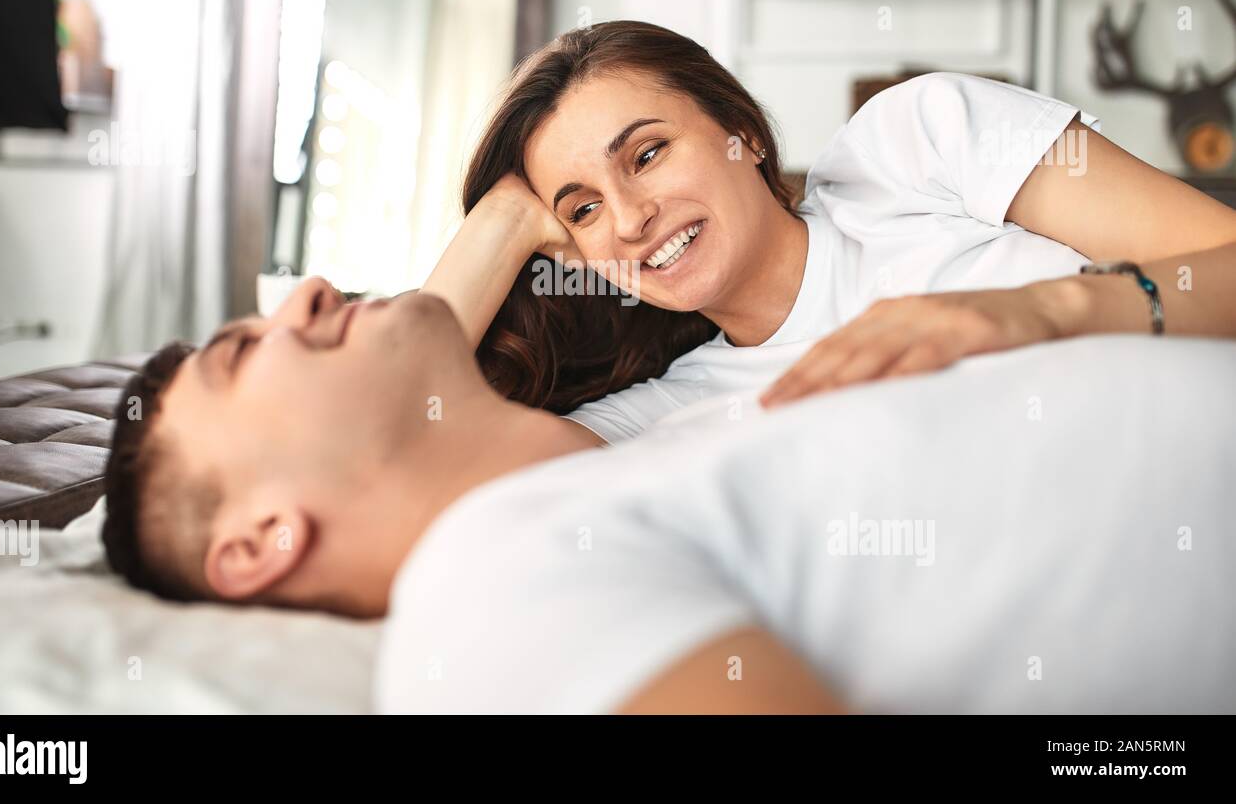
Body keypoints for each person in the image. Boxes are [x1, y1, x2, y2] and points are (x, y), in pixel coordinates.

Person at [100, 276, 1236, 713]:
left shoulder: (665, 438)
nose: (302, 290)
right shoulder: (484, 590)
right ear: (256, 541)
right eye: (242, 353)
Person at [422, 21, 1236, 442]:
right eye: (582, 211)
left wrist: (1043, 313)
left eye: (648, 153)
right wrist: (498, 225)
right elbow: (402, 441)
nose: (631, 219)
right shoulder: (658, 419)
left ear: (741, 132)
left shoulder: (914, 141)